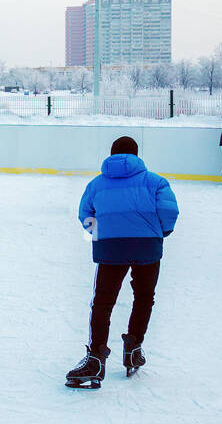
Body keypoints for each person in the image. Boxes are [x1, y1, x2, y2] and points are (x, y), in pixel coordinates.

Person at [67, 136, 179, 389]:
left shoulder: (97, 184)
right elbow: (169, 211)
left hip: (111, 247)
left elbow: (85, 214)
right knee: (143, 297)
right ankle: (133, 348)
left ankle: (95, 358)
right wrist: (160, 232)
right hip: (147, 246)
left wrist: (98, 235)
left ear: (111, 154)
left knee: (103, 302)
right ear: (137, 155)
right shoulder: (156, 182)